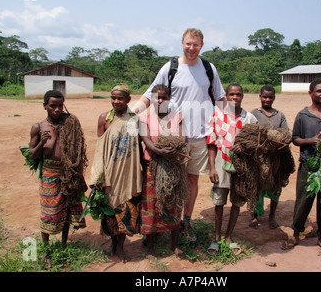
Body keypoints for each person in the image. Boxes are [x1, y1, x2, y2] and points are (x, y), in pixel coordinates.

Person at [134, 28, 226, 245]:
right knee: (169, 178)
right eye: (188, 44)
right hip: (172, 136)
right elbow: (150, 93)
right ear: (182, 44)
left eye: (195, 44)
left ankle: (185, 221)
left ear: (202, 45)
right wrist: (130, 113)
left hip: (200, 135)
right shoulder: (170, 67)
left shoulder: (208, 68)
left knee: (192, 180)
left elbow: (220, 98)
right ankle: (163, 221)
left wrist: (237, 120)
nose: (191, 48)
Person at [282, 79, 321, 251]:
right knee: (303, 201)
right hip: (308, 166)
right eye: (319, 91)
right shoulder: (303, 116)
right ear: (310, 93)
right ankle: (295, 234)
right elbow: (295, 139)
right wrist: (310, 141)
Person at [28, 90, 88, 267]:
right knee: (49, 211)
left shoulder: (70, 122)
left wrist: (77, 174)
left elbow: (78, 148)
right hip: (49, 173)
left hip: (68, 172)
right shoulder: (38, 127)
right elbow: (31, 155)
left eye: (60, 105)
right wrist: (41, 143)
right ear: (45, 105)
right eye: (52, 105)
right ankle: (46, 251)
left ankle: (63, 244)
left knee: (68, 209)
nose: (56, 109)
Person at [89, 84, 143, 263]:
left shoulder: (135, 119)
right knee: (111, 211)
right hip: (111, 172)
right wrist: (97, 174)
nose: (116, 101)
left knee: (127, 211)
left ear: (128, 100)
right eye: (113, 98)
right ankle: (113, 244)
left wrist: (144, 168)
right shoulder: (104, 118)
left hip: (130, 173)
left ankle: (120, 246)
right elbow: (99, 149)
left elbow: (140, 148)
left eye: (120, 98)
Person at [207, 83, 257, 255]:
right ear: (226, 97)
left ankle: (229, 237)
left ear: (242, 96)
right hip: (221, 164)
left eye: (238, 94)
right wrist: (212, 168)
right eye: (231, 94)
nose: (235, 98)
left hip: (242, 168)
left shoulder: (249, 119)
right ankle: (216, 237)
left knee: (236, 202)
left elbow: (256, 144)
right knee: (219, 202)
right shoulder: (217, 116)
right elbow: (212, 144)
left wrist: (245, 148)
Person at [139, 84, 186, 259]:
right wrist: (159, 151)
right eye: (156, 97)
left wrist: (172, 148)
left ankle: (174, 243)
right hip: (152, 168)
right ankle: (150, 246)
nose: (160, 100)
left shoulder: (177, 118)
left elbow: (182, 138)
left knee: (174, 204)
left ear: (169, 99)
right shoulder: (144, 119)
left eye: (164, 97)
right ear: (151, 99)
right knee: (151, 206)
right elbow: (146, 141)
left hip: (173, 169)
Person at [250, 85, 289, 230]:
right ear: (260, 97)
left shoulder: (280, 115)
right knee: (255, 187)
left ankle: (272, 217)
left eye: (270, 97)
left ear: (274, 97)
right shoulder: (253, 114)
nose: (267, 99)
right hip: (258, 159)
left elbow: (285, 135)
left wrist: (275, 142)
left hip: (275, 159)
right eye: (265, 97)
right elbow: (250, 134)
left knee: (275, 187)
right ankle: (254, 216)